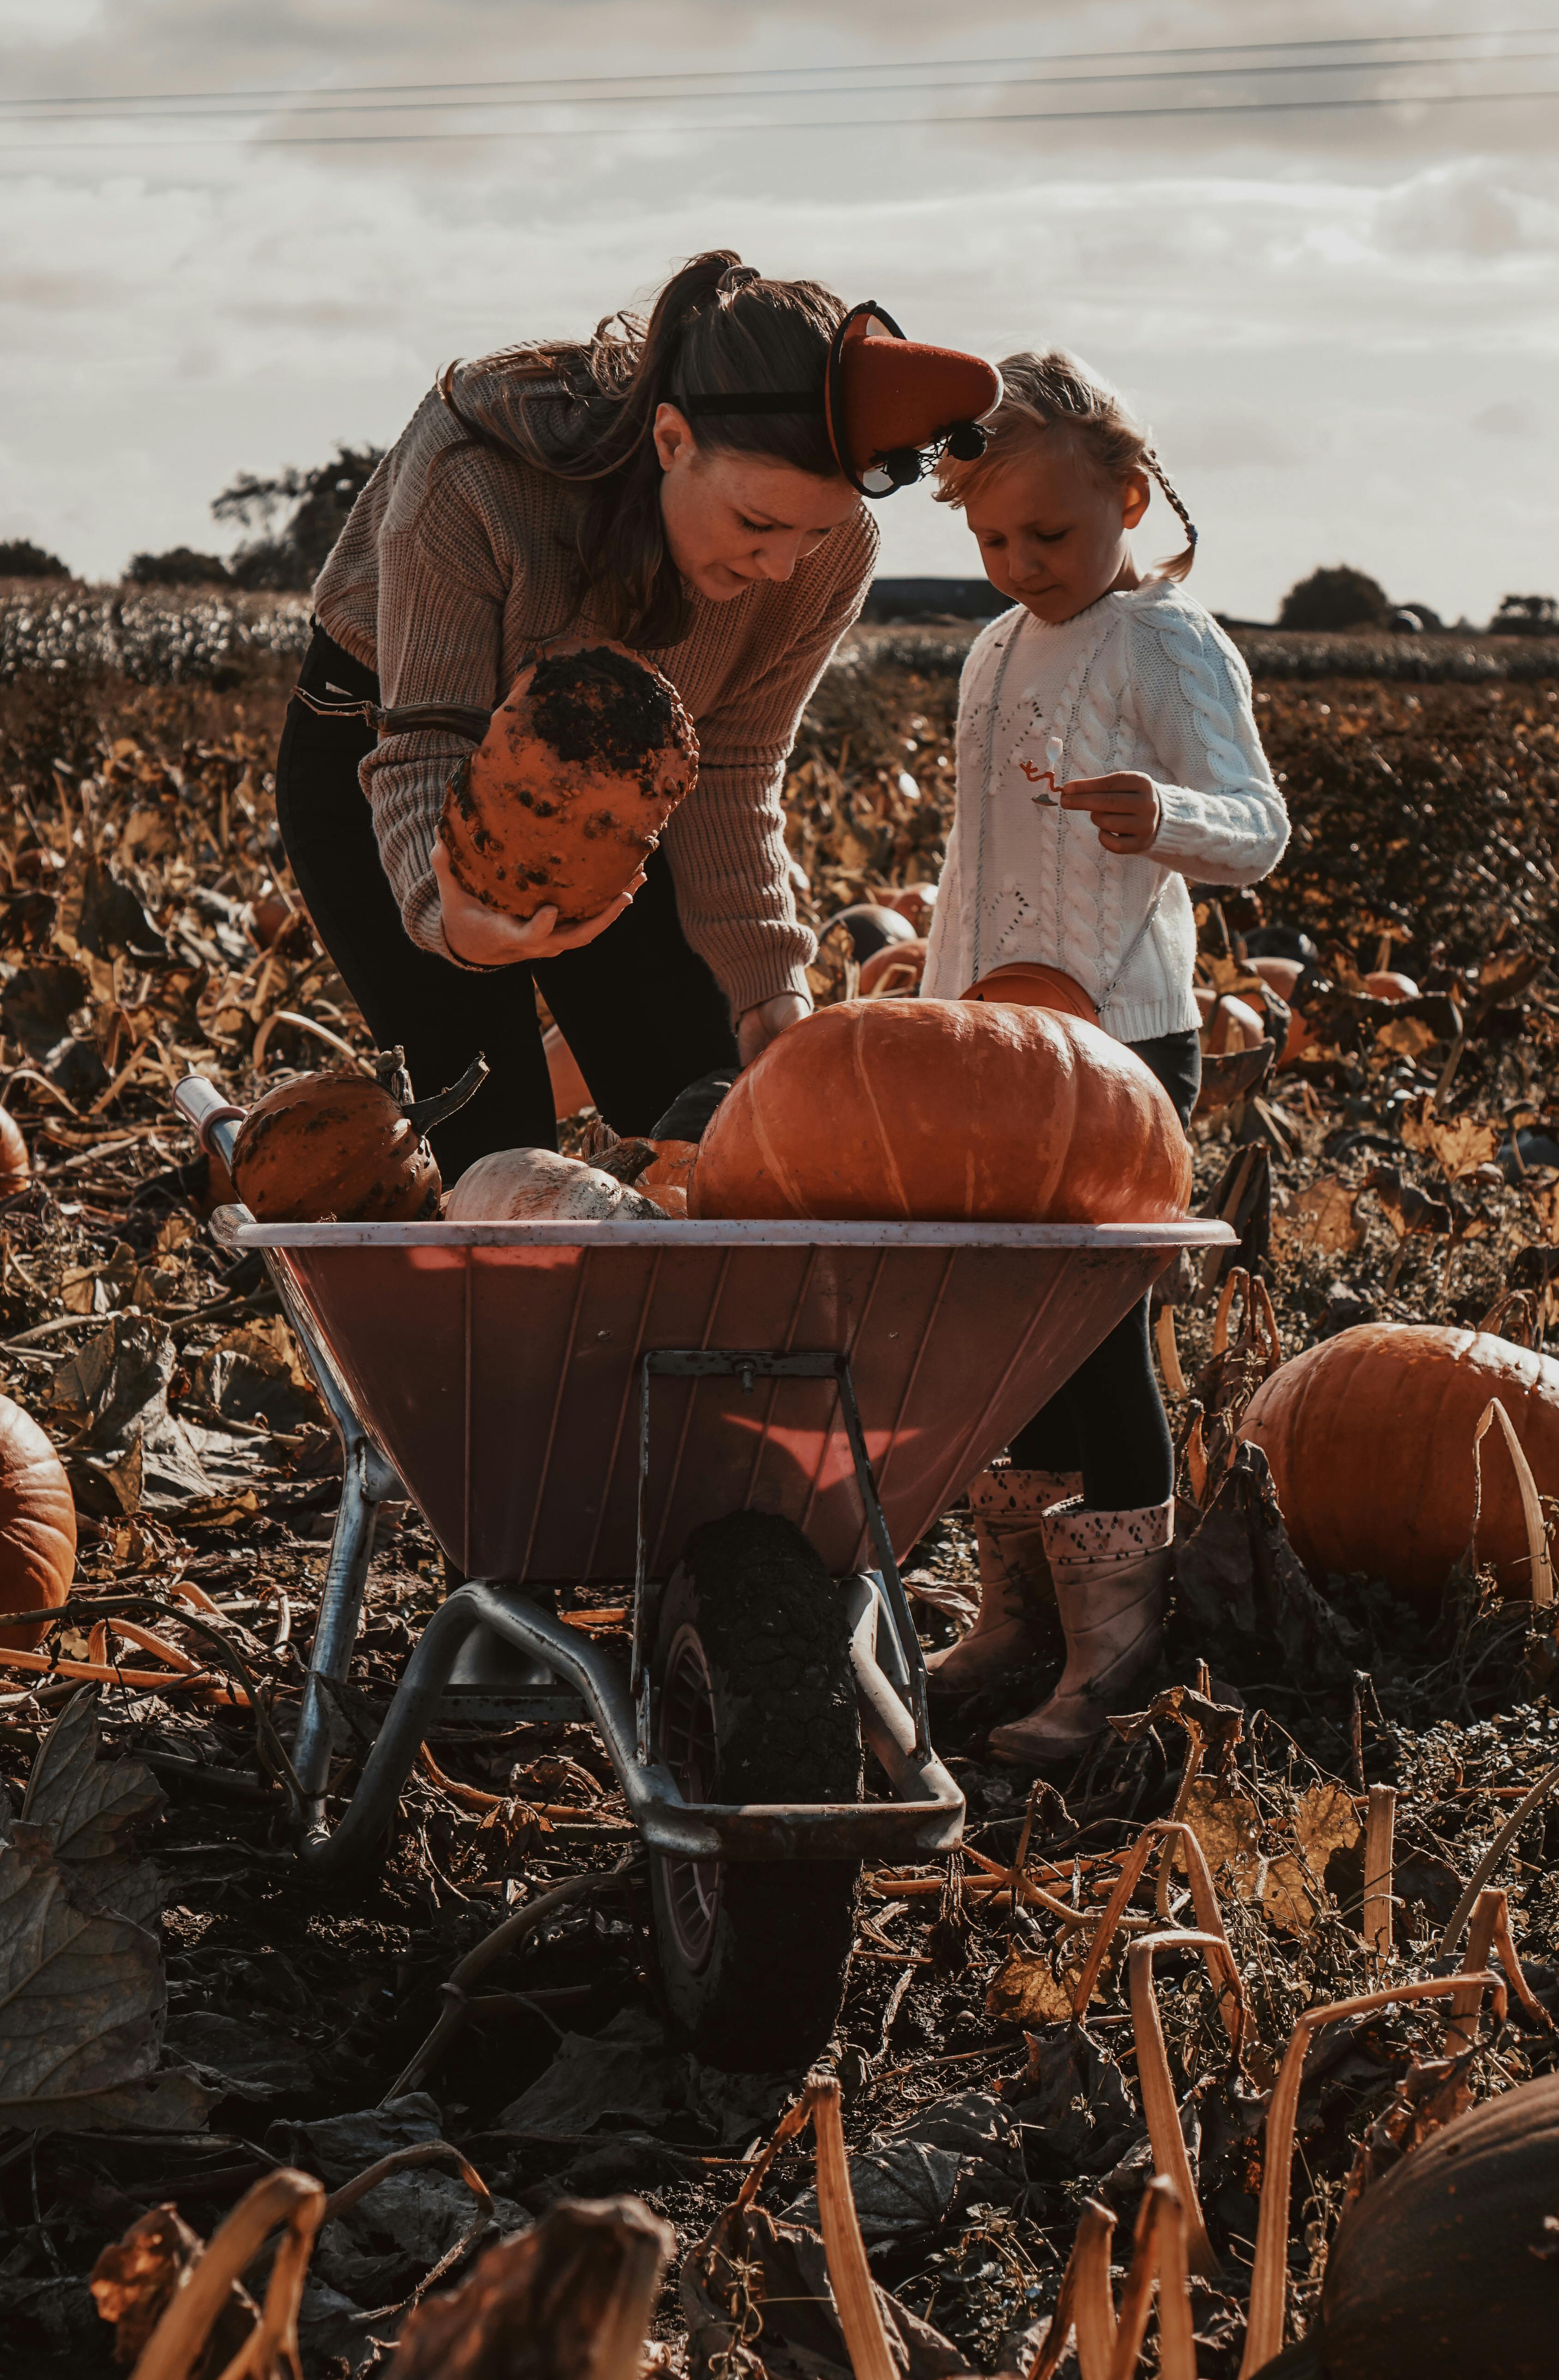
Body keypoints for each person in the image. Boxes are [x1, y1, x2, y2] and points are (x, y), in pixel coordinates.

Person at [276, 251, 998, 1175]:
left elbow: (731, 770)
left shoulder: (824, 559)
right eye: (755, 525)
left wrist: (766, 986)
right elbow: (423, 741)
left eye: (811, 533)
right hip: (390, 751)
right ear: (669, 441)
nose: (781, 565)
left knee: (708, 1118)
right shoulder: (478, 480)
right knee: (492, 1147)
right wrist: (454, 917)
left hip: (626, 772)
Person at [919, 351, 1289, 1764]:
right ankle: (1026, 1620)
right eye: (992, 540)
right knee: (1004, 1338)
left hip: (1124, 1044)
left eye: (1053, 536)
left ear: (1131, 498)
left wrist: (1167, 812)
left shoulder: (1167, 643)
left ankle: (1119, 1650)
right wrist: (934, 1012)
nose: (1022, 565)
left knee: (1097, 1327)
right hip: (991, 1036)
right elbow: (975, 865)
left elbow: (1258, 826)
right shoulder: (996, 646)